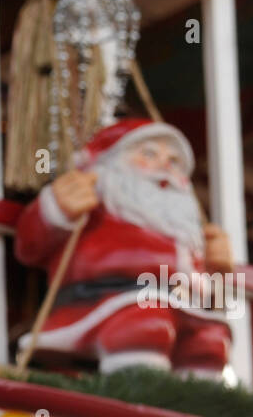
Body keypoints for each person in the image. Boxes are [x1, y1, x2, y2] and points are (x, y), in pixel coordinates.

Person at [14, 119, 236, 375]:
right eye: (150, 153)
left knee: (211, 340)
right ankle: (142, 397)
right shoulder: (98, 205)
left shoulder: (183, 232)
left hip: (180, 306)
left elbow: (209, 293)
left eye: (174, 161)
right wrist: (55, 209)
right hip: (101, 302)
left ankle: (199, 407)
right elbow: (29, 247)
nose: (165, 166)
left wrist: (217, 272)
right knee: (148, 324)